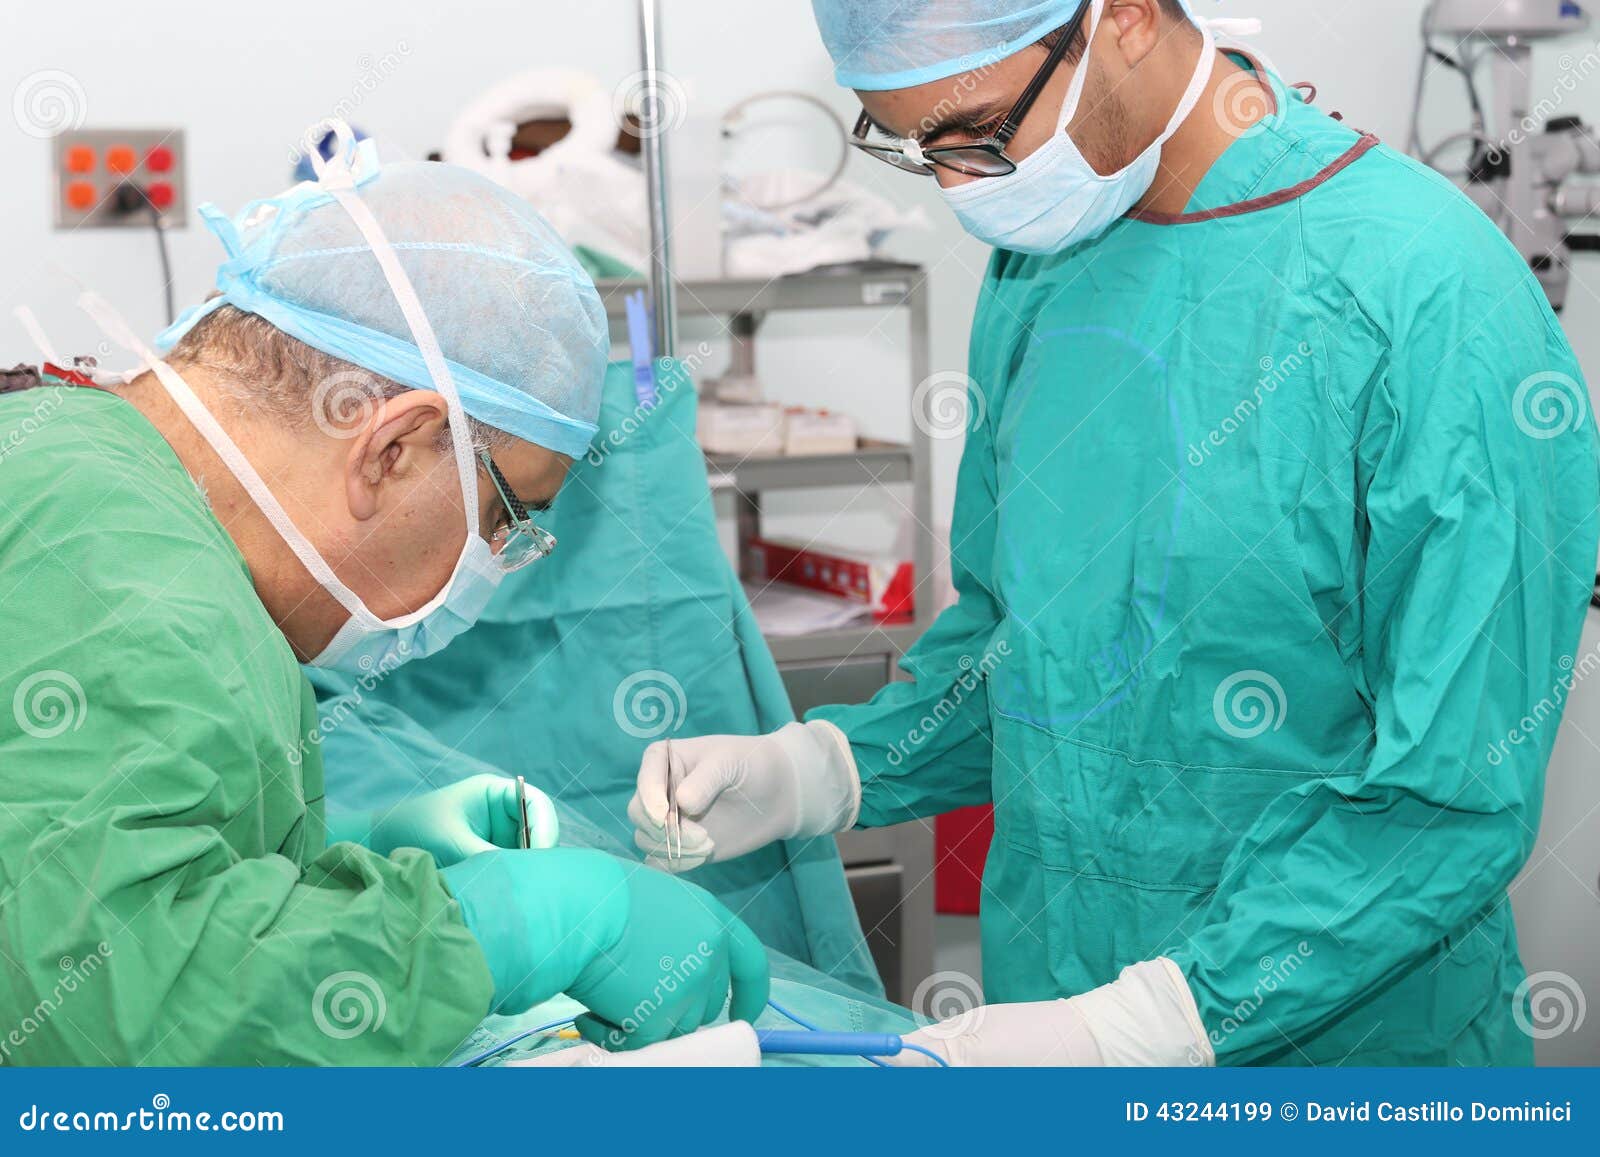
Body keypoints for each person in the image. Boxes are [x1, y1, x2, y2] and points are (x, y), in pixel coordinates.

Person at [631, 1, 1600, 1066]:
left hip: (1356, 1061)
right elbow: (1027, 649)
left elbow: (1452, 795)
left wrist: (1150, 1022)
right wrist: (821, 769)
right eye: (911, 148)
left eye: (980, 134)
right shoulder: (1043, 266)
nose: (960, 187)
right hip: (1057, 994)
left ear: (1126, 17)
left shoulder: (1430, 295)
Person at [0, 123, 766, 1065]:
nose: (496, 556)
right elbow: (120, 1009)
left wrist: (354, 862)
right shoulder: (126, 578)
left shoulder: (95, 475)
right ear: (393, 447)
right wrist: (496, 929)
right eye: (507, 515)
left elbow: (80, 858)